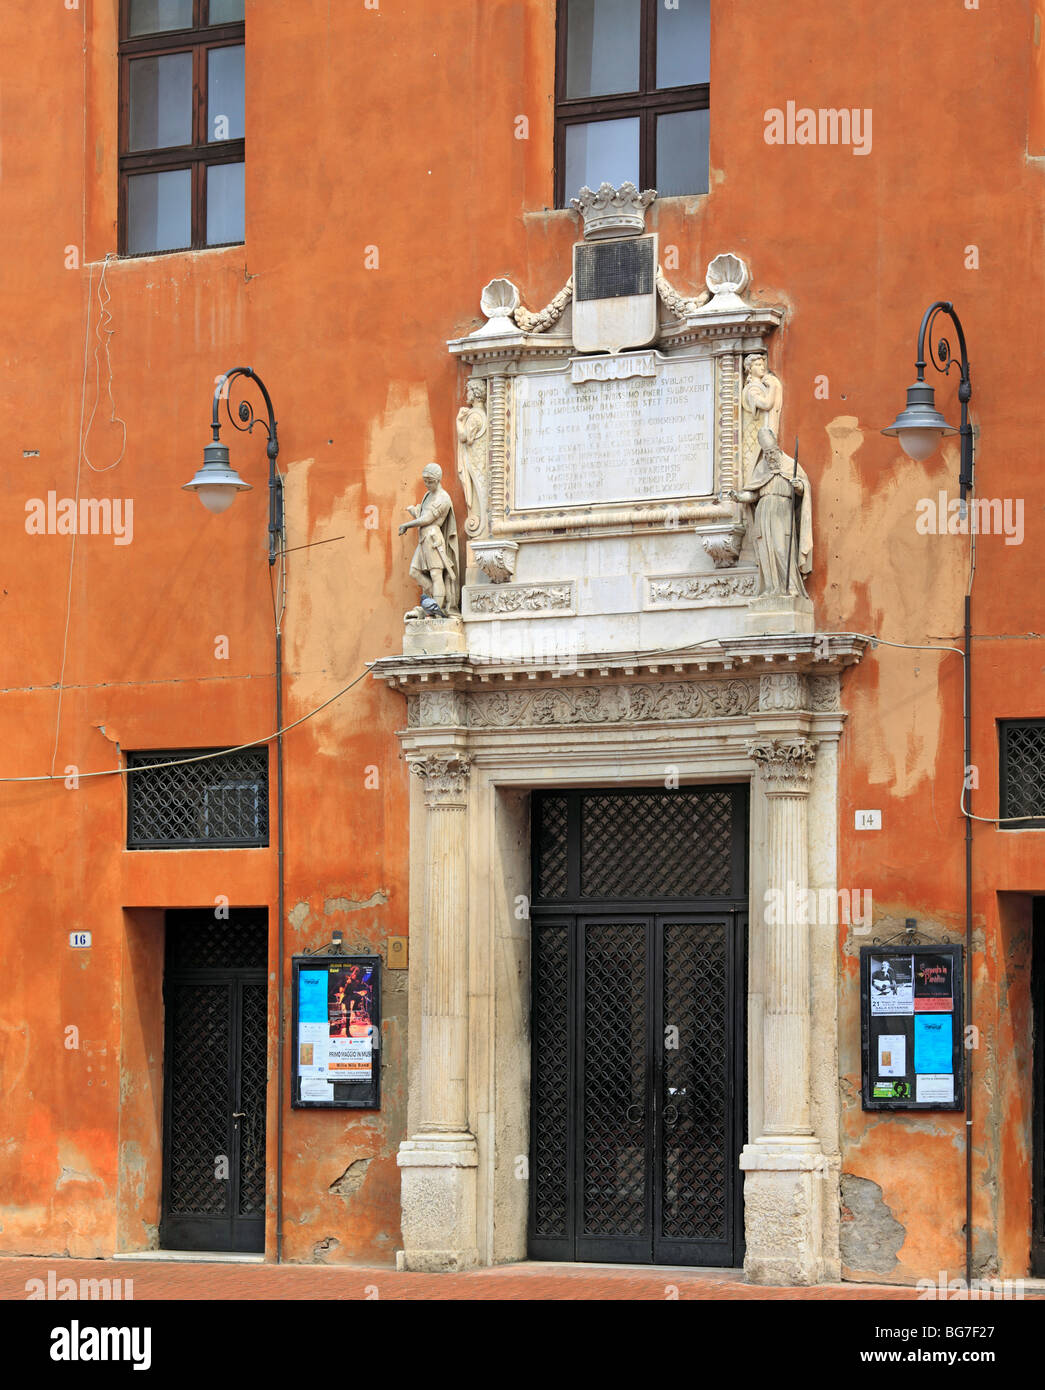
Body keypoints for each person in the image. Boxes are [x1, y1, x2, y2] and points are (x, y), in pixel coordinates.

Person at [736, 428, 813, 598]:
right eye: (767, 453)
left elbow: (803, 488)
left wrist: (798, 486)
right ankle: (771, 589)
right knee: (766, 550)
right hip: (763, 514)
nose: (770, 456)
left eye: (772, 452)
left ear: (778, 450)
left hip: (782, 511)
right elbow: (753, 493)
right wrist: (739, 497)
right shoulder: (762, 470)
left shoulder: (790, 466)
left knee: (781, 549)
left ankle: (791, 587)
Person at [399, 463, 461, 617]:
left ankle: (439, 608)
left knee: (435, 574)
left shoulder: (443, 498)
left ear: (438, 480)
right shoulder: (428, 495)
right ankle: (438, 600)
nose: (427, 484)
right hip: (424, 538)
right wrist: (414, 512)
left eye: (430, 481)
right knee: (414, 571)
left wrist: (407, 525)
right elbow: (423, 515)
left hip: (433, 538)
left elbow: (428, 518)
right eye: (425, 481)